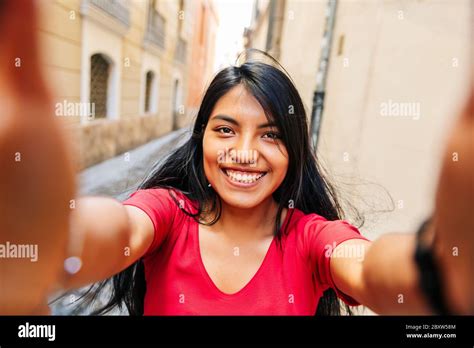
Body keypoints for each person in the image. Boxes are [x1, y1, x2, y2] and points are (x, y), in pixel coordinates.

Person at [0, 0, 472, 316]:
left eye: (270, 136)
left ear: (294, 151)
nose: (244, 154)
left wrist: (439, 267)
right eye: (225, 130)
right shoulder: (167, 215)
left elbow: (371, 269)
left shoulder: (310, 239)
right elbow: (117, 230)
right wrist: (46, 237)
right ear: (201, 137)